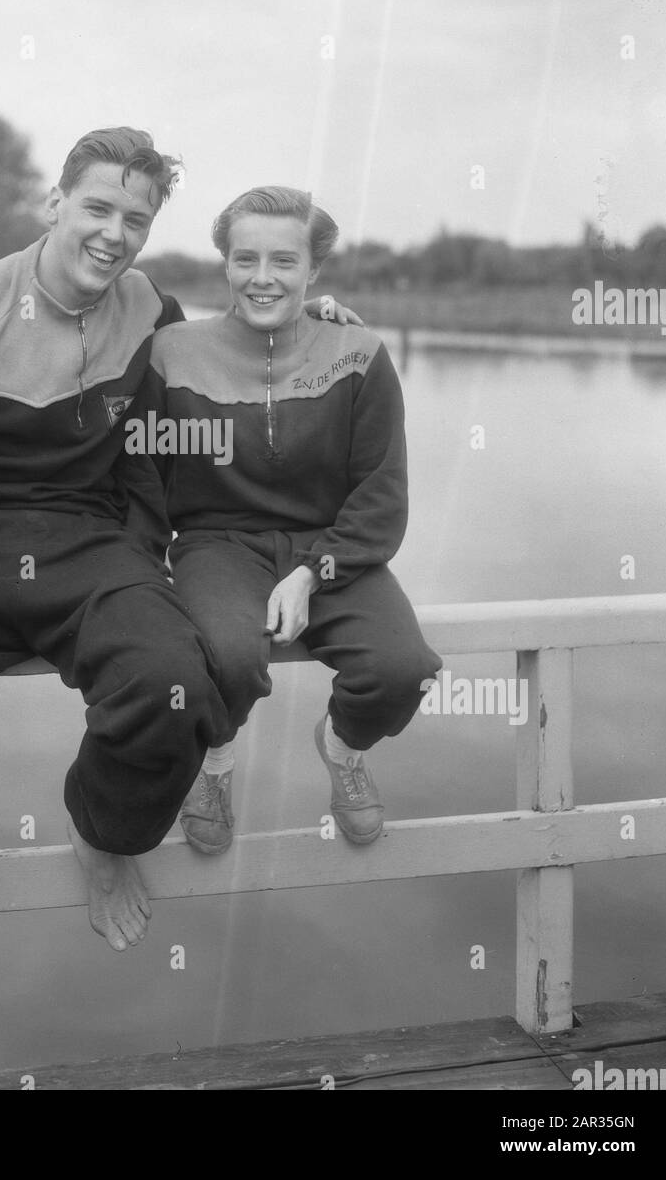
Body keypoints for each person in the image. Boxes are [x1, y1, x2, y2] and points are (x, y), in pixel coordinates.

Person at [0, 132, 358, 976]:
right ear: (54, 203)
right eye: (97, 207)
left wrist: (307, 327)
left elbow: (226, 363)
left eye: (136, 218)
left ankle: (104, 831)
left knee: (175, 688)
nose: (114, 232)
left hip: (91, 547)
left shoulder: (150, 311)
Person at [129, 186, 441, 855]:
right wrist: (138, 580)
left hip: (335, 551)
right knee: (228, 658)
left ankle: (343, 749)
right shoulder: (172, 352)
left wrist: (312, 571)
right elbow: (142, 482)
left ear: (313, 270)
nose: (263, 278)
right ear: (225, 264)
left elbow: (381, 493)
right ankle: (213, 766)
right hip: (216, 547)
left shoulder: (358, 352)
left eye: (283, 262)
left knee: (403, 669)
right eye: (245, 260)